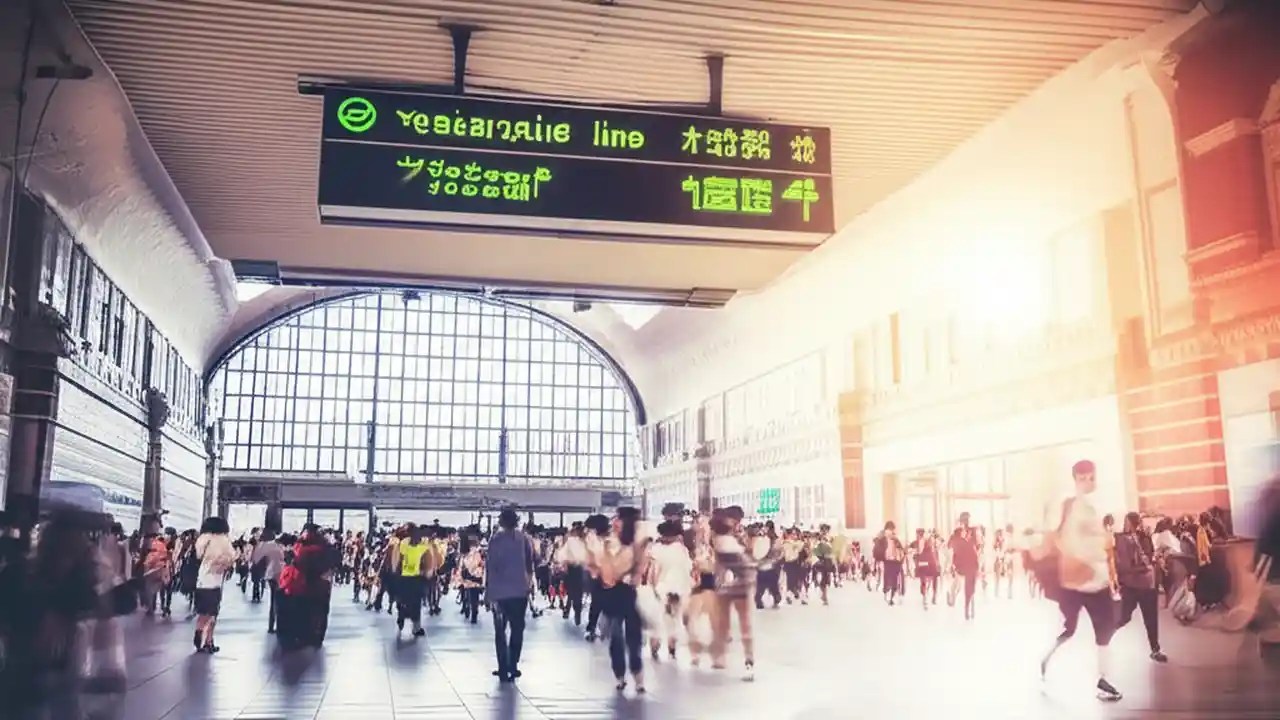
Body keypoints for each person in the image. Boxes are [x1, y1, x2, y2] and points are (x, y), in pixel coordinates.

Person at [1039, 460, 1123, 701]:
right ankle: (1048, 658)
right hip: (1077, 581)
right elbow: (1059, 539)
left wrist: (1109, 573)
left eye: (1092, 477)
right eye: (1084, 478)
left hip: (1097, 581)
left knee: (1104, 630)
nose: (1089, 482)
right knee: (1070, 629)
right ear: (1076, 479)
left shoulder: (1097, 506)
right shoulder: (1071, 506)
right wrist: (1077, 558)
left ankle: (1103, 679)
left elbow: (1102, 544)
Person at [592, 506, 649, 693]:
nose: (614, 522)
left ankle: (638, 676)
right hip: (611, 593)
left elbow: (639, 569)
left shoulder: (636, 545)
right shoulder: (607, 543)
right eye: (614, 518)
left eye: (619, 518)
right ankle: (620, 676)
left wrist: (632, 576)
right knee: (615, 636)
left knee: (633, 637)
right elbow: (602, 571)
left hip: (628, 592)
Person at [486, 508, 536, 681]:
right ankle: (513, 665)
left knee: (500, 631)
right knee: (517, 629)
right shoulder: (524, 539)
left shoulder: (495, 540)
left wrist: (488, 593)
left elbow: (490, 567)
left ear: (501, 521)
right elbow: (530, 564)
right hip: (519, 591)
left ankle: (502, 667)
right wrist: (529, 584)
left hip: (499, 593)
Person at [1114, 511, 1167, 662]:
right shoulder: (1129, 538)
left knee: (1136, 617)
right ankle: (1155, 650)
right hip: (1141, 583)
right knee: (1132, 617)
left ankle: (1155, 649)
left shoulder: (1134, 538)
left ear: (1129, 523)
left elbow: (1126, 563)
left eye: (1127, 522)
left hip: (1138, 584)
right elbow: (1146, 559)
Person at [193, 517, 235, 653]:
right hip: (215, 581)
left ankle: (199, 631)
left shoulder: (202, 539)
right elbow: (232, 557)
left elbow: (199, 556)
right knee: (212, 613)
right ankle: (208, 641)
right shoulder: (223, 540)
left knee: (202, 611)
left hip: (201, 579)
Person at [250, 530, 286, 633]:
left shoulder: (259, 546)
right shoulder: (275, 546)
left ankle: (271, 625)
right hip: (278, 574)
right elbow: (282, 558)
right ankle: (279, 625)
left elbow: (254, 559)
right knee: (279, 601)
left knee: (273, 600)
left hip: (268, 575)